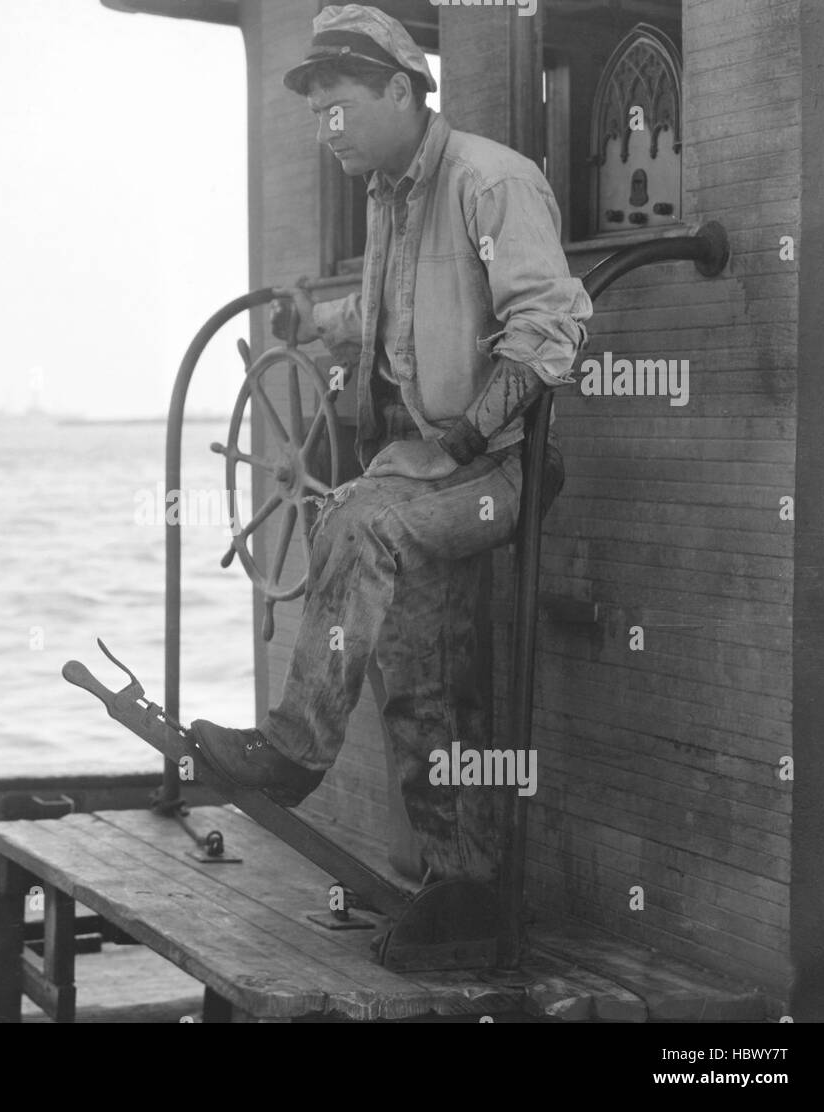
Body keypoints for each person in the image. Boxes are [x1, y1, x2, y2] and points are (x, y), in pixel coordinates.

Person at [191, 4, 592, 884]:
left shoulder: (491, 183)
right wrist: (313, 321)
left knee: (362, 522)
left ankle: (293, 754)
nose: (326, 129)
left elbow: (551, 330)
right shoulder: (388, 195)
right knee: (423, 679)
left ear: (402, 91)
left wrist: (462, 436)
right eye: (314, 113)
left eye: (339, 107)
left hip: (498, 465)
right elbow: (388, 316)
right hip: (421, 469)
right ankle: (466, 891)